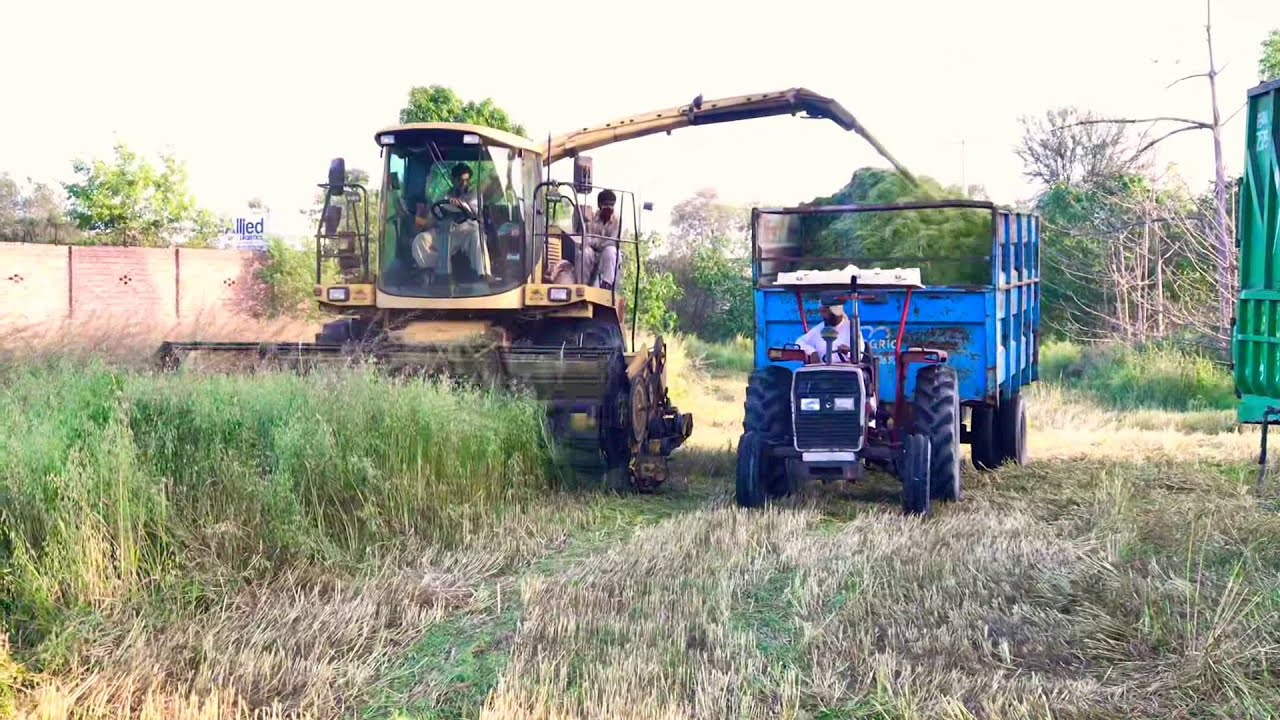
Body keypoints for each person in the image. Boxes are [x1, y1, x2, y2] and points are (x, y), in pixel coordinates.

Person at [410, 163, 491, 281]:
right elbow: (433, 217)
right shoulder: (444, 196)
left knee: (477, 236)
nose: (464, 184)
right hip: (445, 232)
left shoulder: (474, 195)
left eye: (467, 180)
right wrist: (420, 219)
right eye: (460, 180)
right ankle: (434, 270)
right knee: (420, 240)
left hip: (466, 232)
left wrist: (460, 204)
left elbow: (473, 212)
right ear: (453, 180)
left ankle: (484, 274)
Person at [796, 292, 856, 363]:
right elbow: (799, 343)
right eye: (822, 312)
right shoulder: (820, 328)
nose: (823, 316)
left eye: (825, 312)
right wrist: (812, 352)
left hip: (845, 370)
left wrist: (848, 352)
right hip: (823, 371)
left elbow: (860, 354)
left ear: (835, 313)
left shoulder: (852, 329)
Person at [581, 189, 621, 289]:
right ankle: (582, 286)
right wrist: (599, 243)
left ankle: (607, 285)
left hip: (608, 256)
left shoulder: (618, 220)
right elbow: (587, 240)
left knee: (610, 251)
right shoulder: (592, 219)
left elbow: (613, 241)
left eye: (612, 205)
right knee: (585, 253)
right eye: (607, 205)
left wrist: (598, 243)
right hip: (593, 254)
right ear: (600, 205)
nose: (610, 208)